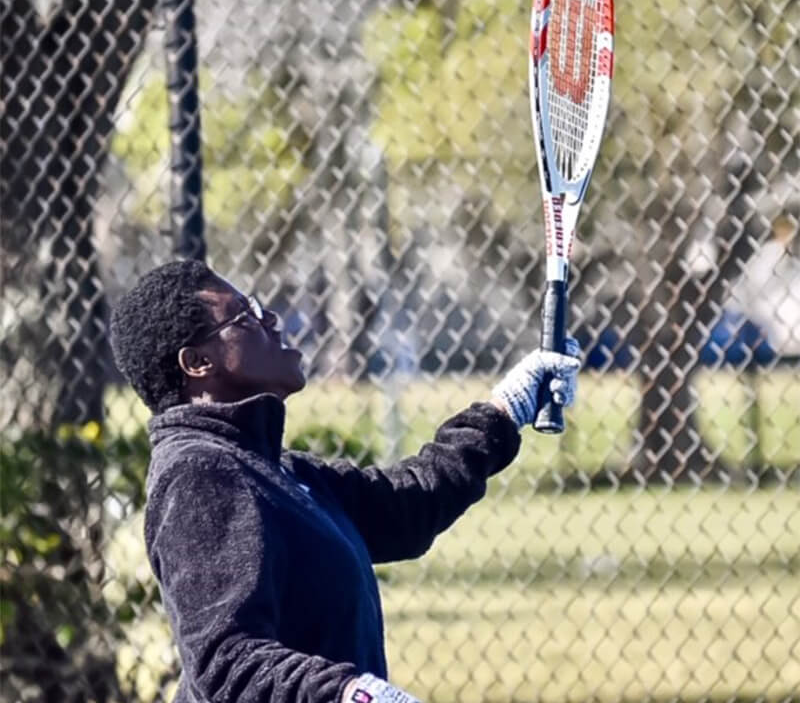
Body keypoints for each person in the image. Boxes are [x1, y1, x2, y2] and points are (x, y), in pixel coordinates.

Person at [110, 259, 581, 703]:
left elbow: (403, 509)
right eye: (245, 318)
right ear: (196, 364)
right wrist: (352, 693)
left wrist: (506, 409)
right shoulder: (200, 475)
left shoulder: (276, 470)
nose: (271, 317)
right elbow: (228, 666)